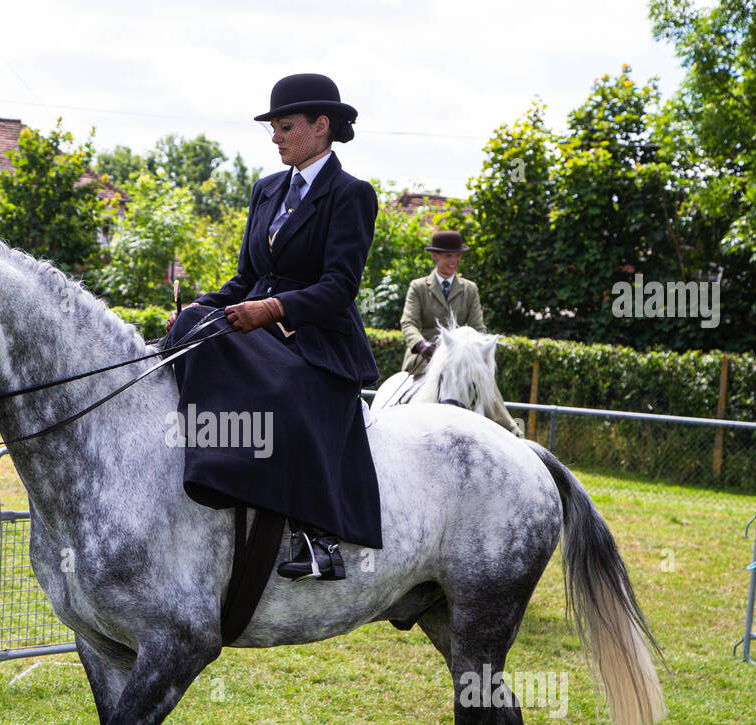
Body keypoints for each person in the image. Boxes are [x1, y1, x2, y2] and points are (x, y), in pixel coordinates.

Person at [164, 73, 381, 581]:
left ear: (321, 125)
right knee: (192, 330)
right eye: (274, 129)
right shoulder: (265, 190)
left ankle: (318, 540)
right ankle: (215, 475)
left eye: (285, 127)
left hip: (319, 336)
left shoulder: (351, 194)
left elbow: (338, 287)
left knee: (286, 390)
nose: (276, 137)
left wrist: (274, 309)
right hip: (255, 323)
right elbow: (246, 278)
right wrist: (197, 307)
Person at [400, 231, 521, 436]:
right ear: (435, 256)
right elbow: (408, 322)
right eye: (448, 256)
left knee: (489, 389)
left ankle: (513, 432)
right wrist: (421, 344)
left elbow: (479, 327)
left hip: (462, 359)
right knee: (402, 398)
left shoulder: (469, 289)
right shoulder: (418, 287)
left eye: (458, 256)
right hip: (426, 357)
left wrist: (472, 349)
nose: (454, 261)